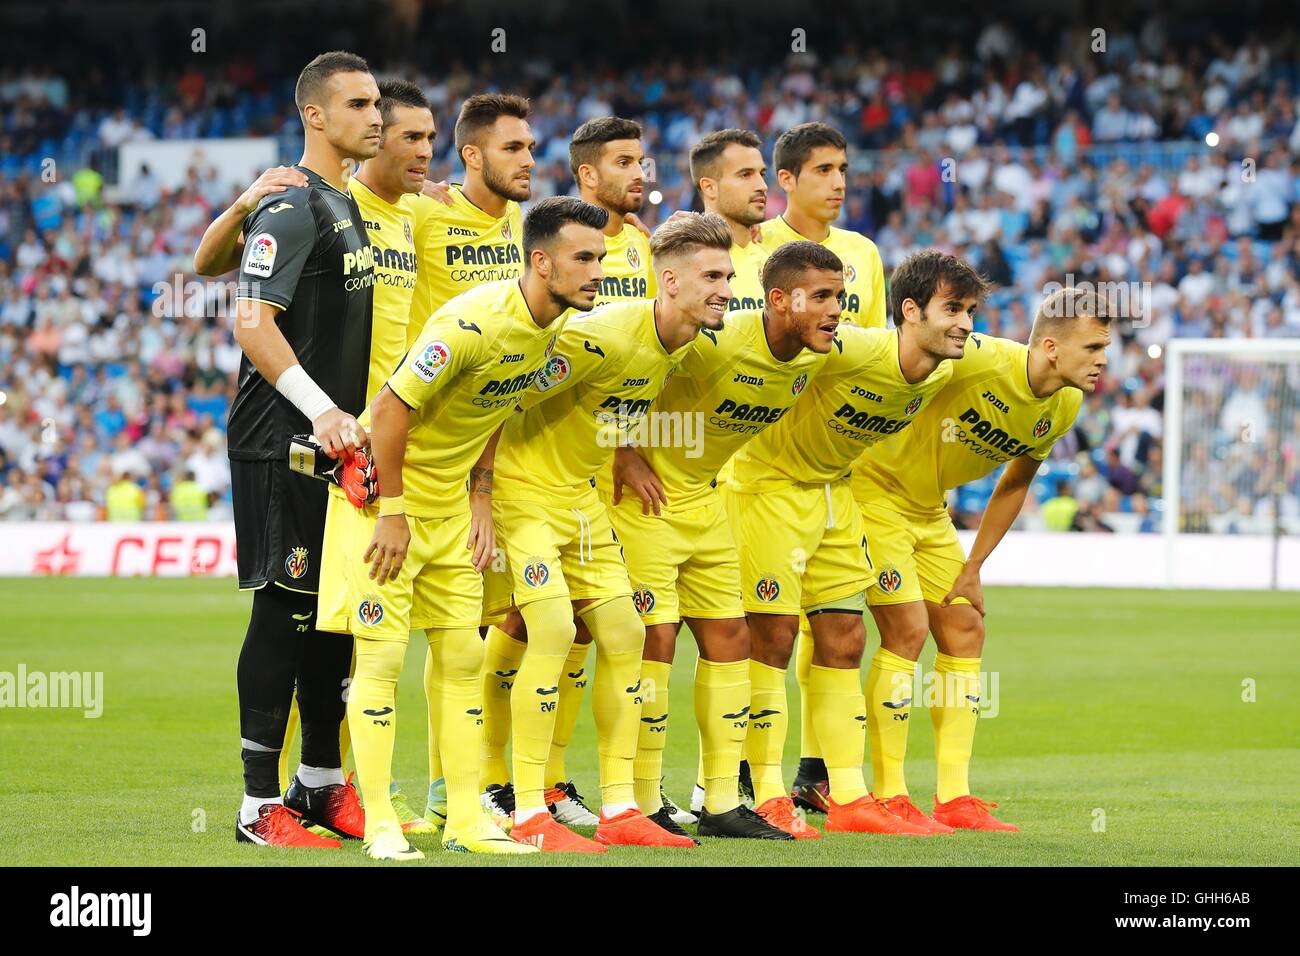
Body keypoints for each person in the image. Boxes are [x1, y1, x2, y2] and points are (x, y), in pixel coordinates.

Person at [318, 196, 608, 859]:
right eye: (584, 258)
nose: (597, 271)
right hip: (384, 506)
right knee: (384, 660)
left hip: (451, 507)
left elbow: (494, 408)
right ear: (541, 262)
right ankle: (383, 823)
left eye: (600, 257)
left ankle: (467, 823)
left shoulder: (550, 330)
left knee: (461, 660)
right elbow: (390, 409)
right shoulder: (472, 321)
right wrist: (391, 511)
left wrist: (480, 495)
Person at [489, 213, 735, 852]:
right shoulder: (598, 339)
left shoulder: (682, 343)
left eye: (729, 275)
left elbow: (613, 406)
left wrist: (624, 447)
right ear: (669, 281)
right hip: (524, 494)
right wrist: (479, 491)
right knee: (551, 629)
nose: (726, 289)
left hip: (580, 498)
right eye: (712, 276)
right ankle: (524, 811)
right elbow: (501, 396)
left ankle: (621, 807)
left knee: (626, 634)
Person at [606, 240, 854, 841]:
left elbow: (896, 354)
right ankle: (642, 799)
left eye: (839, 298)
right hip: (646, 503)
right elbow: (622, 370)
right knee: (655, 640)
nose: (835, 310)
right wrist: (625, 451)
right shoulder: (714, 341)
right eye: (820, 297)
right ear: (778, 299)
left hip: (706, 499)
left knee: (731, 637)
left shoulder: (819, 354)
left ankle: (720, 799)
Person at [726, 250, 968, 838]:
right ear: (910, 313)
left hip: (835, 496)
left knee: (845, 635)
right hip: (768, 491)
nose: (965, 323)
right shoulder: (852, 350)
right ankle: (764, 791)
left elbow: (1014, 363)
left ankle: (852, 794)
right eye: (953, 310)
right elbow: (747, 347)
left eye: (971, 311)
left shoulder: (946, 367)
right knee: (775, 638)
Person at [851, 284, 1108, 831]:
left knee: (965, 629)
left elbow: (1016, 481)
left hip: (928, 509)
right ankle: (890, 793)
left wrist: (974, 566)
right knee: (906, 630)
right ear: (1052, 347)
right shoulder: (979, 357)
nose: (1102, 360)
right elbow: (899, 361)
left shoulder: (1065, 403)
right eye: (1092, 348)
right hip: (872, 489)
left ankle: (954, 797)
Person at [222, 51, 380, 849]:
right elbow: (251, 319)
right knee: (283, 611)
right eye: (357, 104)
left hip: (331, 441)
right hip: (279, 438)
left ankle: (318, 784)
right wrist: (322, 411)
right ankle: (257, 809)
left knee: (333, 615)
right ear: (314, 115)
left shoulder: (346, 205)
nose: (375, 116)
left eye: (377, 102)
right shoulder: (291, 206)